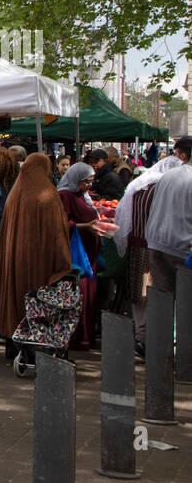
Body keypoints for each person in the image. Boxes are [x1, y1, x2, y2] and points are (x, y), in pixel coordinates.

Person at [0, 153, 73, 354]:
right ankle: (36, 346)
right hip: (40, 262)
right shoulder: (49, 196)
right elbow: (58, 233)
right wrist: (64, 263)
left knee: (15, 297)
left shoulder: (15, 195)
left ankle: (13, 345)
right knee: (36, 300)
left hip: (14, 260)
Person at [115, 154, 183, 351]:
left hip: (136, 245)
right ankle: (156, 336)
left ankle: (141, 333)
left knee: (139, 292)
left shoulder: (138, 188)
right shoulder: (163, 190)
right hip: (158, 247)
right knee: (161, 291)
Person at [58, 161, 102, 348]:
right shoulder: (65, 196)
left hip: (88, 255)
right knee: (79, 293)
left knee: (89, 295)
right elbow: (62, 223)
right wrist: (85, 226)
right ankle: (77, 337)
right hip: (77, 256)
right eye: (86, 181)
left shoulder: (82, 196)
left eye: (91, 181)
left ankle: (87, 335)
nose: (89, 185)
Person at [143, 136, 192, 303]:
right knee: (184, 305)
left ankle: (161, 330)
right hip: (181, 249)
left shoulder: (167, 175)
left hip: (158, 244)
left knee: (163, 303)